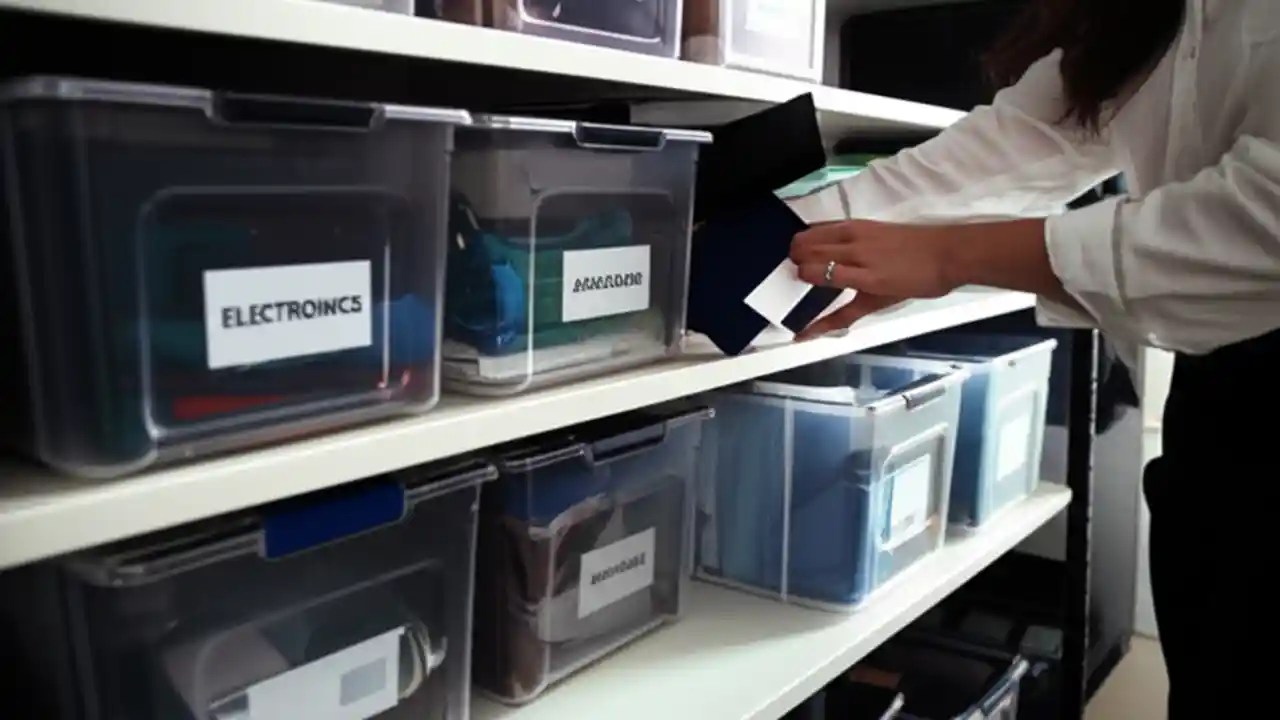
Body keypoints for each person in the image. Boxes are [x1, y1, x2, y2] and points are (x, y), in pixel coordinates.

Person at [783, 0, 1276, 716]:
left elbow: (1265, 228)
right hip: (1218, 407)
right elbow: (1011, 147)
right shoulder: (1140, 17)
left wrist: (950, 255)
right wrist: (783, 240)